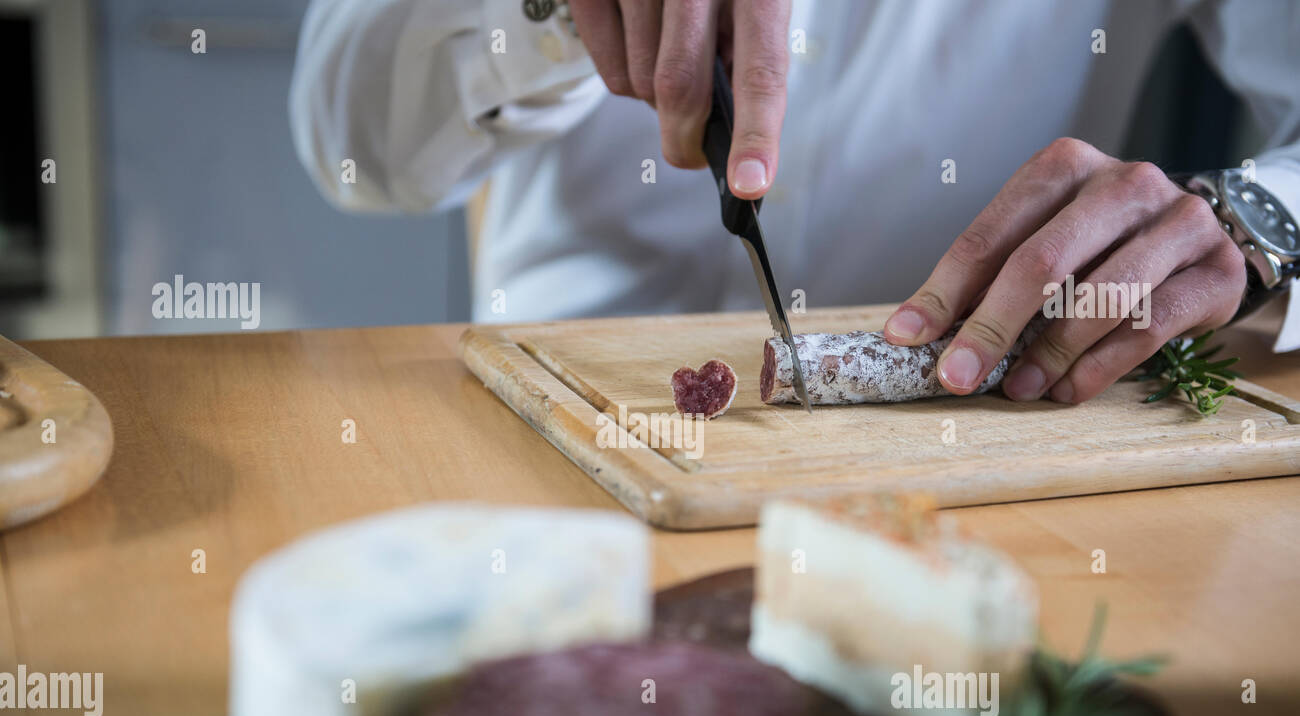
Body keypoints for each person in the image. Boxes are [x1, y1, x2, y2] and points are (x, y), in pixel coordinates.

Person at [289, 0, 1300, 405]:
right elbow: (350, 150)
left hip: (977, 442)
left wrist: (1263, 219)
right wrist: (547, 13)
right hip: (553, 427)